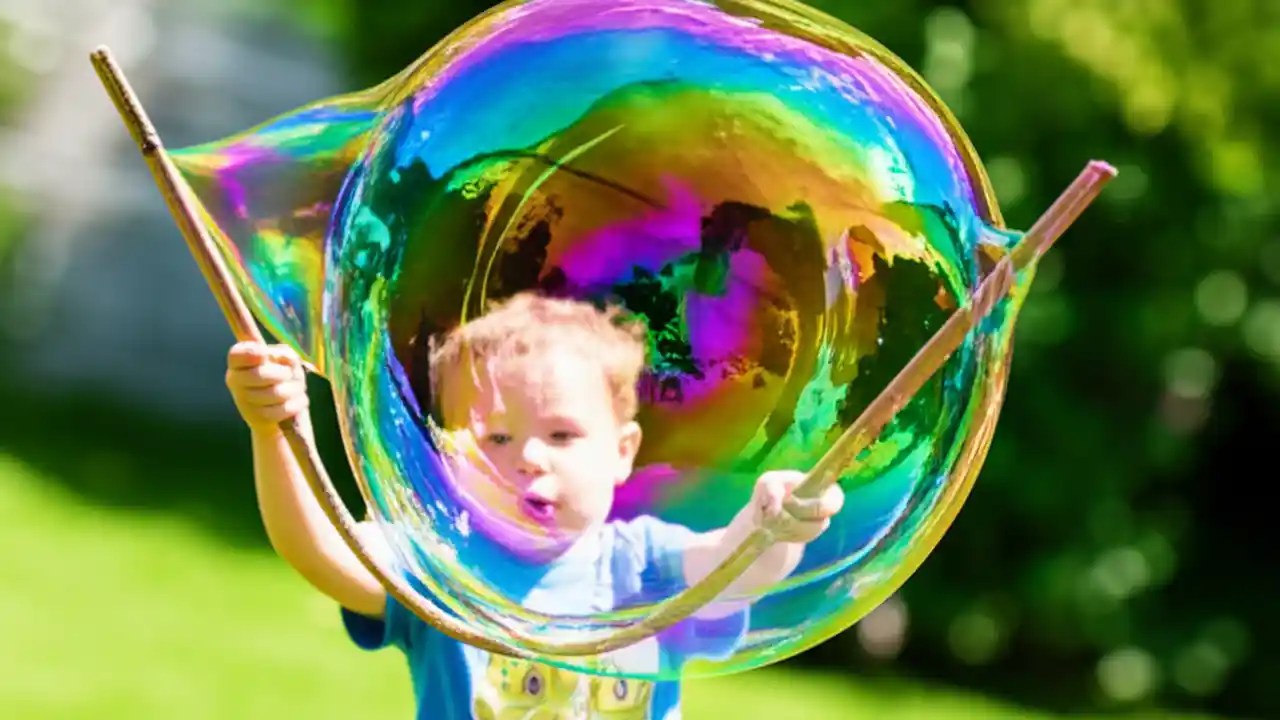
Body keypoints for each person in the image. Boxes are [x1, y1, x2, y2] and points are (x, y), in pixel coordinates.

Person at [226, 291, 845, 719]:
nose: (529, 458)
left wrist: (774, 525)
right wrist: (276, 430)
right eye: (496, 437)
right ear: (452, 456)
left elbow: (734, 565)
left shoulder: (640, 566)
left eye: (561, 435)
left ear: (622, 450)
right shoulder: (442, 564)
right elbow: (320, 549)